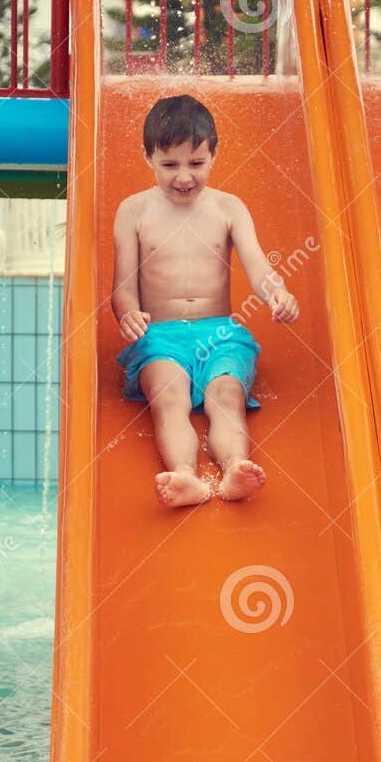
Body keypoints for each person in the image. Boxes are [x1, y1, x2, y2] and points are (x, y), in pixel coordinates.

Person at [111, 94, 299, 507]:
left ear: (214, 154)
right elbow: (123, 286)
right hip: (160, 338)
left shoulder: (228, 208)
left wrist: (277, 293)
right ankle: (185, 475)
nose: (183, 177)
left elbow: (257, 267)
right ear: (149, 157)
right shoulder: (134, 212)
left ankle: (234, 467)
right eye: (169, 165)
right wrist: (128, 315)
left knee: (226, 394)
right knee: (168, 397)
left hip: (220, 335)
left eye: (196, 164)